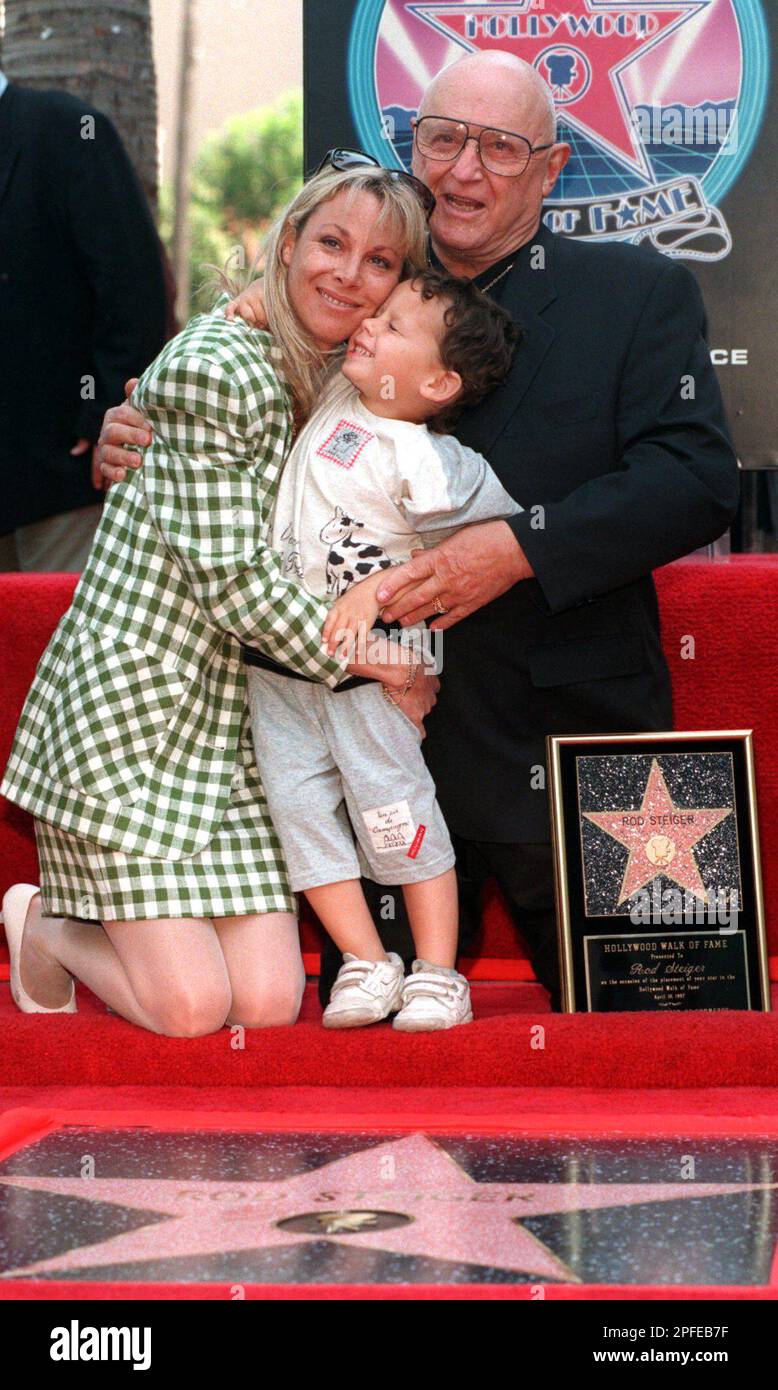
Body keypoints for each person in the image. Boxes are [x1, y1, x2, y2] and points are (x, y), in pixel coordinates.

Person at [98, 53, 739, 1013]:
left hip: (569, 735)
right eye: (442, 139)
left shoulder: (634, 294)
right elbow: (221, 411)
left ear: (554, 168)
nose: (463, 170)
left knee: (656, 1029)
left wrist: (519, 546)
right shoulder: (356, 288)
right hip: (368, 734)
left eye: (500, 148)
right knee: (370, 1047)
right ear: (413, 146)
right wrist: (134, 439)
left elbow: (693, 480)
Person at [0, 164, 437, 1037]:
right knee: (192, 1008)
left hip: (236, 729)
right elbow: (236, 582)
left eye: (379, 261)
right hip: (133, 721)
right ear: (288, 244)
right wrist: (379, 662)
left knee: (271, 1005)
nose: (349, 274)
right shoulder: (216, 367)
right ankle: (39, 921)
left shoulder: (338, 379)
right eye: (331, 243)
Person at [244, 269, 520, 1031]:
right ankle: (365, 960)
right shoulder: (337, 393)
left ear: (438, 381)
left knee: (395, 810)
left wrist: (391, 587)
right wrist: (255, 300)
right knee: (299, 815)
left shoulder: (430, 458)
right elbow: (288, 313)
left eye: (396, 326)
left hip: (377, 670)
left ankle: (437, 972)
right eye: (379, 313)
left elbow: (485, 544)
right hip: (281, 666)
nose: (370, 325)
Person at [0, 71, 167, 570]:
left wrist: (104, 411)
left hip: (65, 481)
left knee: (60, 639)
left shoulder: (70, 128)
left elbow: (133, 284)